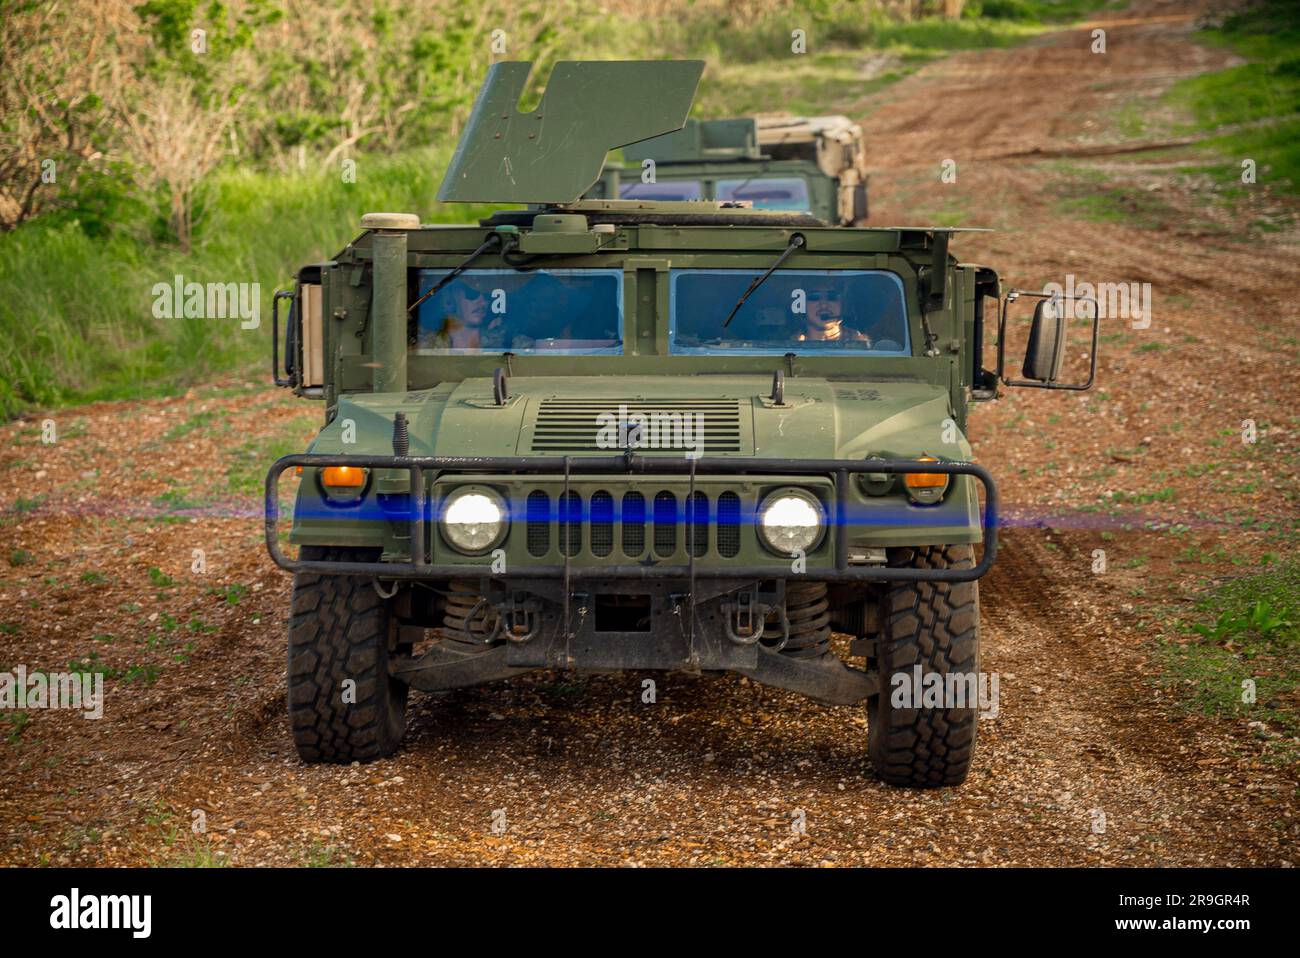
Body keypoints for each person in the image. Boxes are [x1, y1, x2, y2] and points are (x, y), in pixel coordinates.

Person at [419, 283, 507, 350]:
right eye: (472, 293)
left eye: (487, 295)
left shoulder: (504, 344)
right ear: (451, 297)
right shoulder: (426, 347)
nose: (482, 303)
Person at [796, 285, 872, 345]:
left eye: (832, 297)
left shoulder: (862, 345)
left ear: (843, 304)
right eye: (814, 297)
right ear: (802, 305)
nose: (824, 305)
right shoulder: (790, 347)